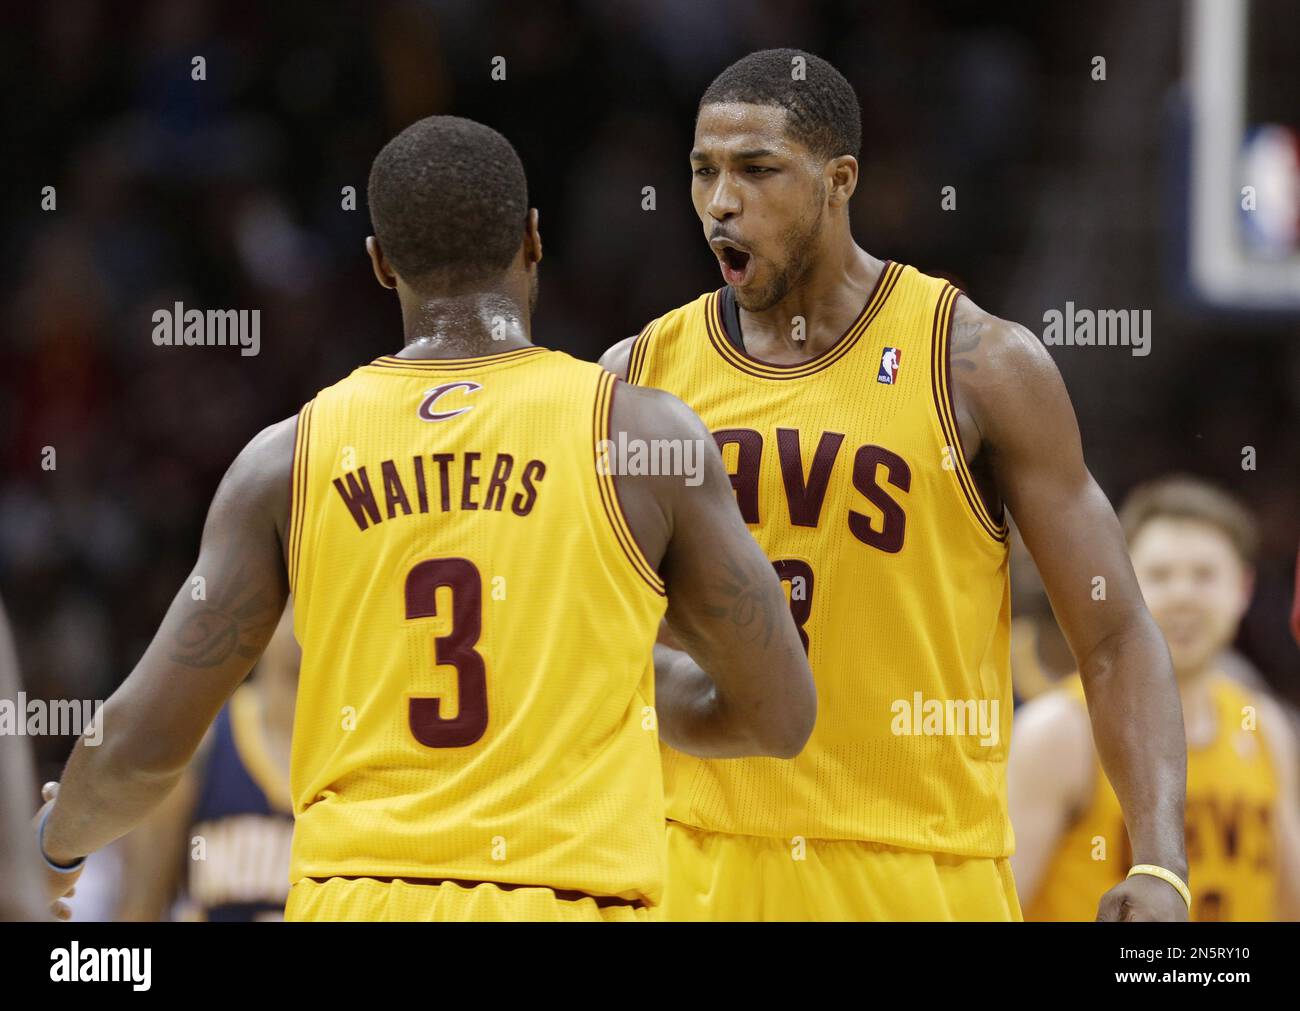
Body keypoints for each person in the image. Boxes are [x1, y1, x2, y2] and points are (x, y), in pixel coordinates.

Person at [34, 115, 815, 922]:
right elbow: (781, 715)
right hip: (566, 901)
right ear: (533, 238)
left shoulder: (287, 459)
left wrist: (50, 849)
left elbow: (142, 742)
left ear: (380, 262)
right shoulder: (639, 436)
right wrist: (616, 674)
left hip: (357, 902)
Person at [602, 48, 1187, 921]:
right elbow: (583, 632)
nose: (722, 201)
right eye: (703, 171)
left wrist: (1161, 862)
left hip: (917, 868)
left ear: (839, 181)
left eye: (757, 170)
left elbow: (1114, 632)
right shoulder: (638, 374)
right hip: (689, 859)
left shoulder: (978, 363)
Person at [1011, 475, 1300, 920]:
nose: (1183, 595)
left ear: (1243, 589)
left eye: (1204, 575)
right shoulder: (1059, 731)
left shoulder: (1265, 728)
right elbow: (998, 906)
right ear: (1124, 587)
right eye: (1161, 575)